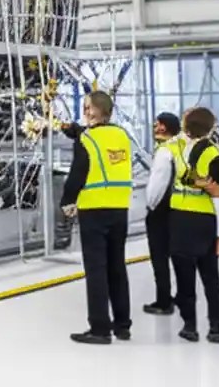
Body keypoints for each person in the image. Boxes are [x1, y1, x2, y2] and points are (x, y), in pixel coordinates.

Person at [60, 91, 136, 344]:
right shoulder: (122, 135)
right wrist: (72, 129)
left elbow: (78, 173)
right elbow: (99, 143)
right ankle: (122, 325)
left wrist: (67, 201)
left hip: (94, 209)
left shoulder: (87, 139)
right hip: (119, 208)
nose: (84, 111)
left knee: (96, 270)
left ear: (93, 110)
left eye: (86, 107)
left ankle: (100, 328)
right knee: (117, 266)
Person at [169, 107, 219, 343]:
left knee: (184, 279)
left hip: (180, 219)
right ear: (211, 127)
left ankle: (189, 325)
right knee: (211, 278)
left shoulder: (178, 151)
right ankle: (215, 328)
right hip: (205, 220)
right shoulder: (214, 155)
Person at [143, 112, 184, 316]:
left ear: (164, 127)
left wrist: (150, 206)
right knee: (177, 256)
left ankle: (163, 300)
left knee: (159, 257)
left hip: (161, 211)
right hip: (179, 208)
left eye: (157, 124)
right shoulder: (181, 148)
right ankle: (182, 297)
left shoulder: (164, 152)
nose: (154, 127)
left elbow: (157, 185)